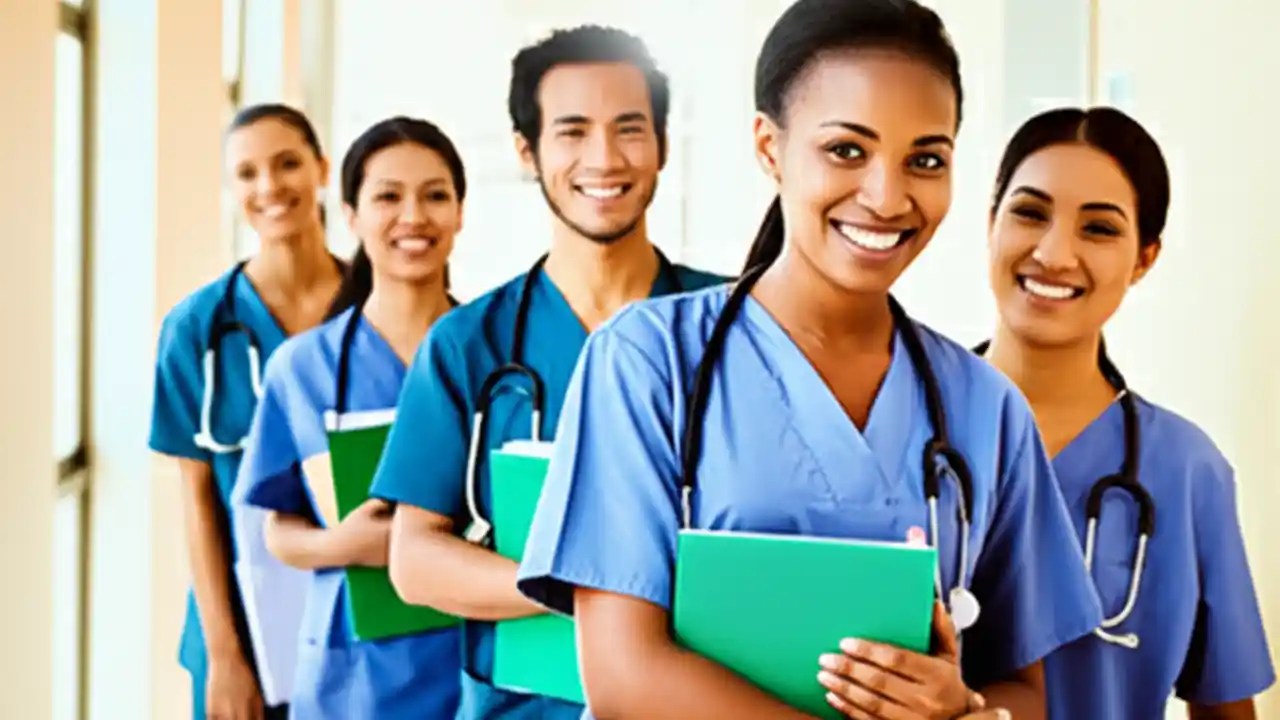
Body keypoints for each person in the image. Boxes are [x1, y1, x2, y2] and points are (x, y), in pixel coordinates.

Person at [514, 2, 1107, 718]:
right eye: (847, 151)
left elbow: (1024, 691)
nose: (888, 197)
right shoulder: (647, 361)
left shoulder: (987, 407)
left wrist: (971, 708)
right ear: (770, 147)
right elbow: (622, 673)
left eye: (925, 159)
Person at [369, 25, 726, 719]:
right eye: (572, 131)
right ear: (527, 152)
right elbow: (413, 561)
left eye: (629, 128)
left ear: (661, 146)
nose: (604, 158)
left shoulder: (731, 326)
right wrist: (594, 591)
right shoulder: (469, 344)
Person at [975, 106, 1275, 720]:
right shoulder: (907, 422)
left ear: (1144, 258)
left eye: (1100, 229)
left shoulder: (1186, 471)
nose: (1055, 254)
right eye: (1030, 213)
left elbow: (1225, 709)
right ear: (991, 223)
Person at [233, 116, 467, 718]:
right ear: (351, 214)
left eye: (435, 195)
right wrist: (346, 544)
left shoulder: (494, 355)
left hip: (476, 660)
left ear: (460, 212)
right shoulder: (304, 368)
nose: (412, 216)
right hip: (357, 679)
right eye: (388, 196)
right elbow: (277, 530)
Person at [149, 103, 344, 720]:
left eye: (287, 164)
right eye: (248, 173)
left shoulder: (380, 309)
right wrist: (226, 657)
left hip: (362, 617)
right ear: (231, 189)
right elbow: (199, 499)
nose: (270, 187)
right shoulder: (197, 329)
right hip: (243, 628)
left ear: (321, 168)